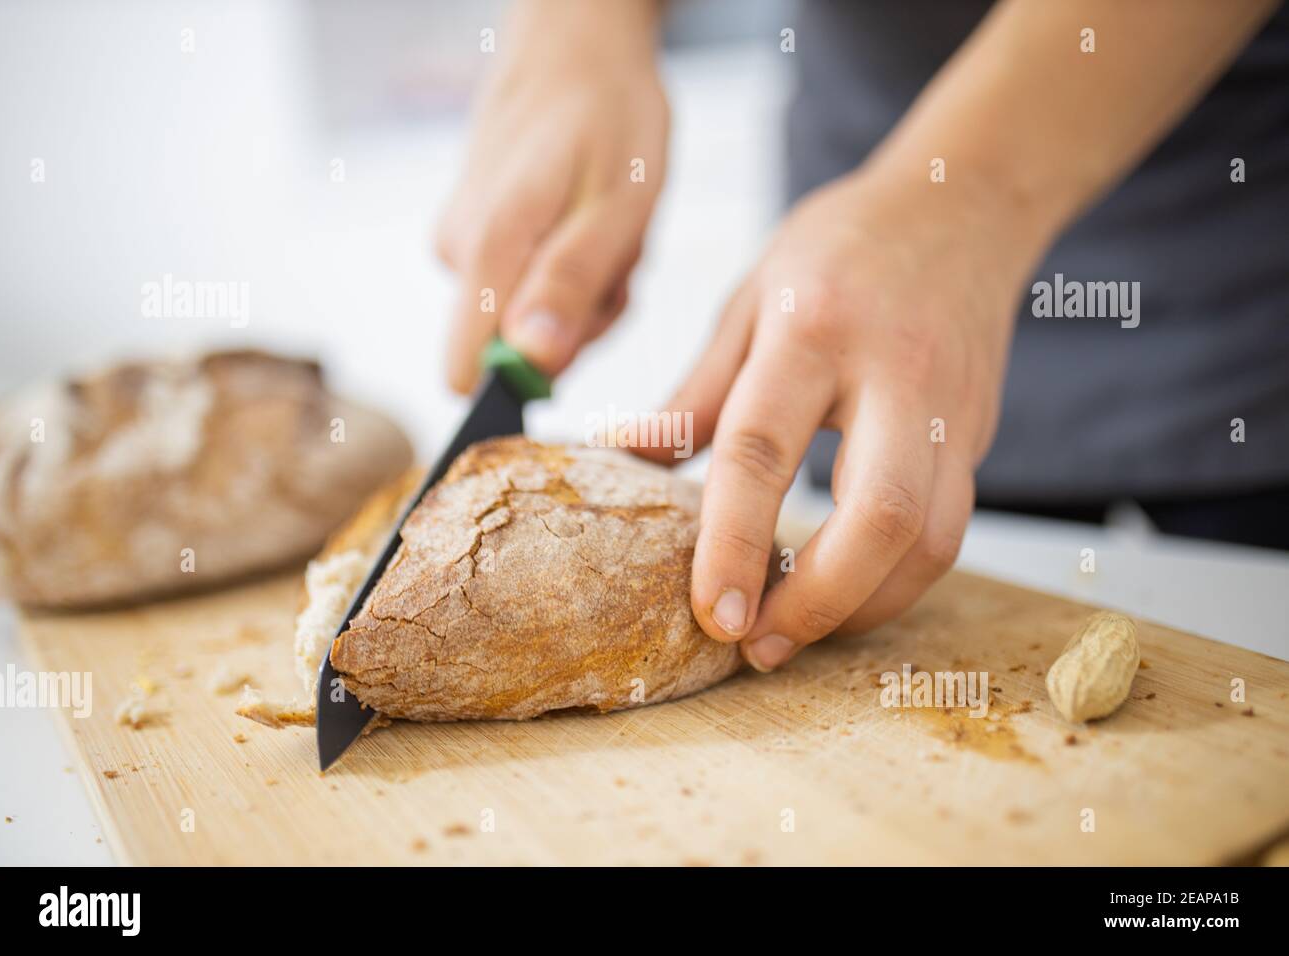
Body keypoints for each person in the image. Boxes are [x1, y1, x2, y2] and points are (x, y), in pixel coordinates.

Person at [434, 0, 1289, 673]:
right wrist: (579, 23)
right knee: (858, 547)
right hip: (848, 315)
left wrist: (965, 195)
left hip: (1236, 286)